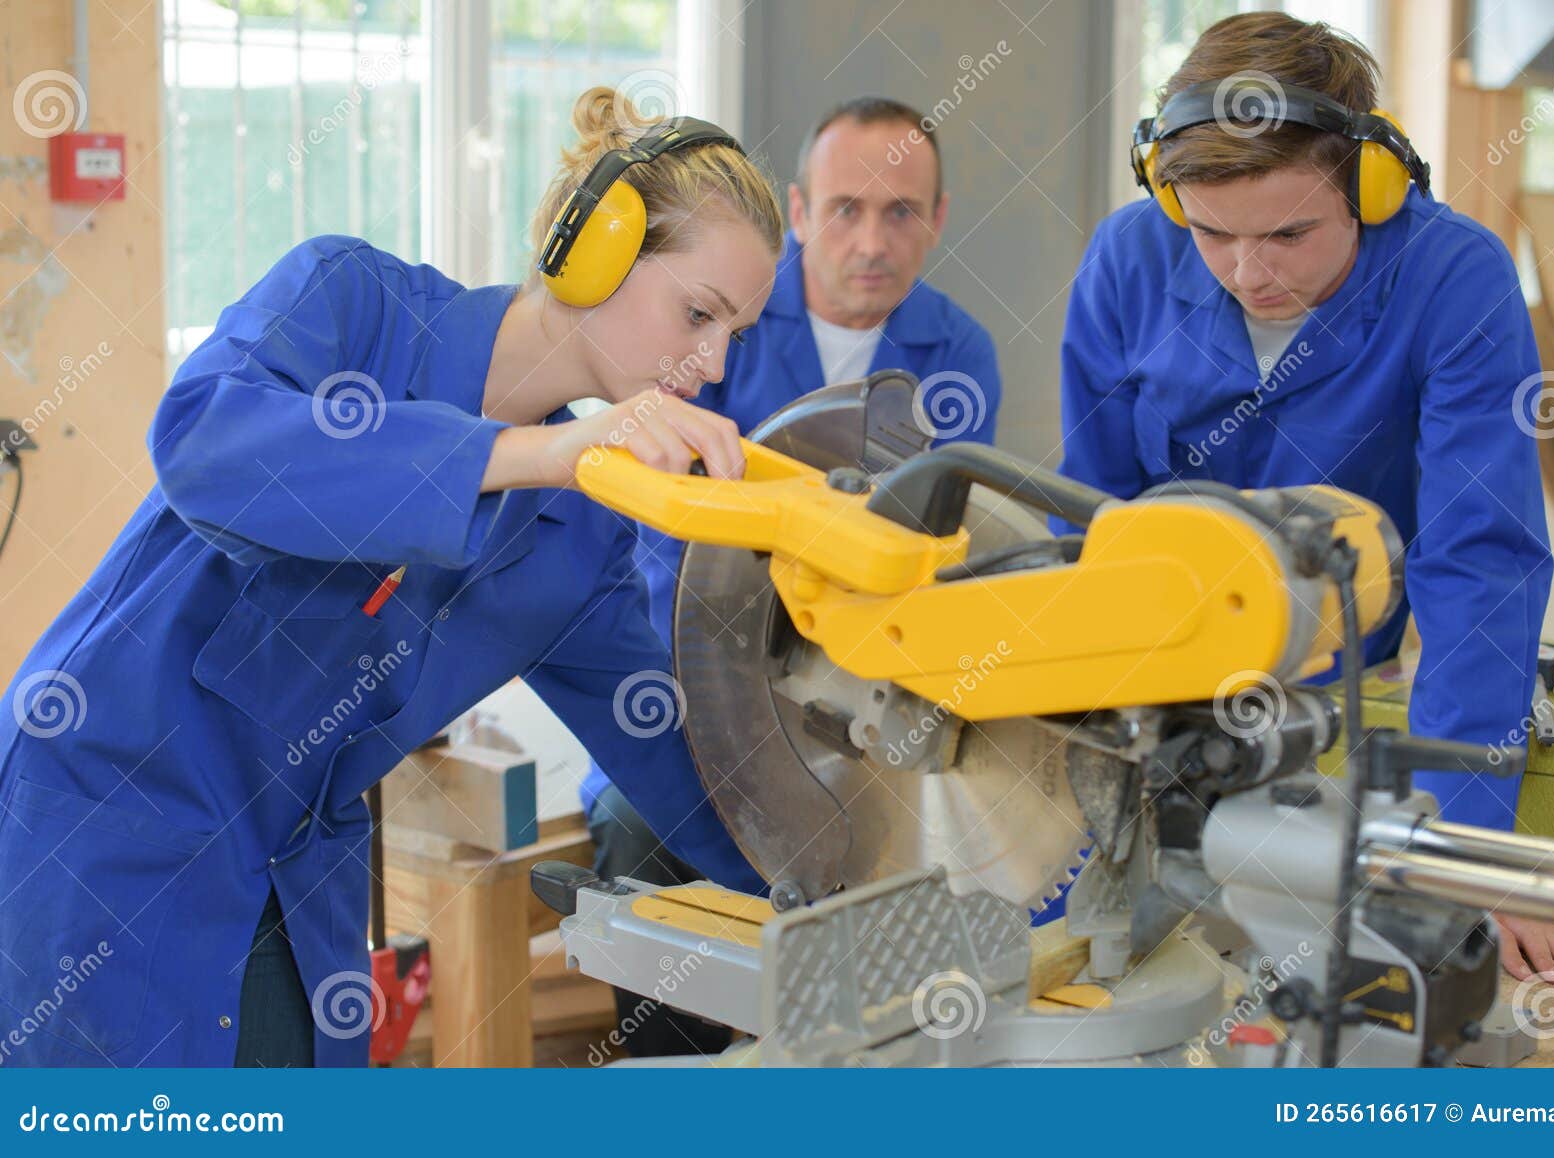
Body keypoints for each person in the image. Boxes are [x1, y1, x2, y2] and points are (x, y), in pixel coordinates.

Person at [0, 86, 785, 1067]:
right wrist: (531, 455)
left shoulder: (576, 539)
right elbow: (204, 445)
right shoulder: (349, 304)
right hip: (109, 820)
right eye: (698, 313)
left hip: (290, 872)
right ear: (595, 251)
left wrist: (861, 879)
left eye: (735, 334)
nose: (710, 364)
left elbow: (680, 763)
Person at [1056, 12, 1554, 982]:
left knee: (1376, 964)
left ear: (1369, 188)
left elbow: (1478, 564)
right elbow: (1086, 531)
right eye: (1213, 234)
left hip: (1347, 692)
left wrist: (1458, 853)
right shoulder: (1124, 264)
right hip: (1157, 696)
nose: (1251, 272)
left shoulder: (1454, 280)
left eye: (1290, 233)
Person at [580, 98, 1004, 1055]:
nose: (872, 240)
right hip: (693, 666)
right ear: (802, 212)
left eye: (903, 212)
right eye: (847, 208)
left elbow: (941, 554)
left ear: (938, 221)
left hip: (865, 677)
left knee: (931, 840)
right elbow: (663, 551)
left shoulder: (958, 352)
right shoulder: (714, 327)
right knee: (630, 819)